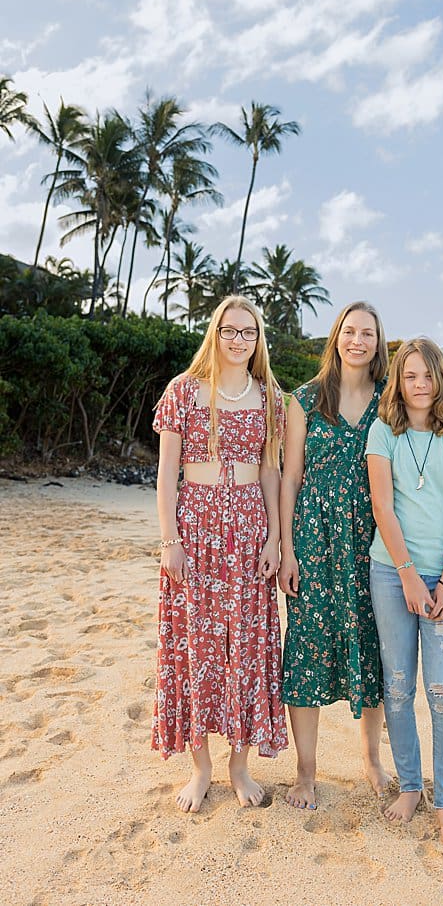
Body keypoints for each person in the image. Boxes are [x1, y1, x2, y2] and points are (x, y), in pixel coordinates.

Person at [152, 294, 288, 811]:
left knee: (246, 645)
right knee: (194, 645)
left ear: (258, 341)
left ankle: (239, 766)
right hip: (196, 528)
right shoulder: (183, 391)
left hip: (250, 530)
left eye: (247, 332)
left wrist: (275, 536)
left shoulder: (269, 398)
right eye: (229, 330)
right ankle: (201, 768)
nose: (237, 340)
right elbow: (167, 474)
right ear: (215, 333)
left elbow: (272, 471)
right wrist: (170, 541)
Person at [278, 301, 392, 809]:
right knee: (307, 646)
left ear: (378, 341)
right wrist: (285, 548)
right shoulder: (303, 399)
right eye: (350, 331)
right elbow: (290, 479)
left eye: (368, 333)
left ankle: (372, 757)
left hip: (372, 539)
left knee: (371, 645)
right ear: (336, 337)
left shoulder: (389, 399)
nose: (358, 340)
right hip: (314, 540)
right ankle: (306, 771)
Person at [366, 337, 443, 843]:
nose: (420, 385)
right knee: (398, 685)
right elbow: (382, 508)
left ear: (440, 379)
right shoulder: (382, 432)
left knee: (442, 690)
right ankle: (410, 785)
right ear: (398, 380)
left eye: (428, 375)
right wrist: (408, 574)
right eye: (410, 376)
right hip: (392, 573)